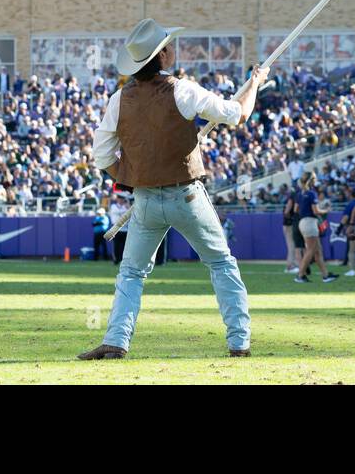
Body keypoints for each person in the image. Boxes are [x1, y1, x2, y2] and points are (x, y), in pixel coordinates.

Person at [78, 18, 264, 360]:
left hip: (146, 200)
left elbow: (102, 154)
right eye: (167, 47)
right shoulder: (183, 90)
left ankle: (117, 340)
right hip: (187, 195)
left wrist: (135, 176)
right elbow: (237, 114)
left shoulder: (119, 99)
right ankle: (239, 341)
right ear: (161, 57)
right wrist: (254, 84)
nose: (171, 51)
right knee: (221, 264)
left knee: (131, 273)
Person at [293, 171, 337, 283]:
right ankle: (300, 275)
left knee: (317, 251)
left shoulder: (299, 193)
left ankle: (325, 275)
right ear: (311, 180)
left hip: (302, 222)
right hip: (310, 222)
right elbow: (315, 210)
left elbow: (295, 210)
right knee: (311, 250)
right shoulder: (312, 193)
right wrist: (326, 210)